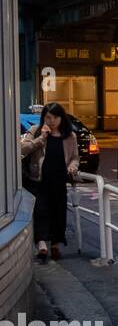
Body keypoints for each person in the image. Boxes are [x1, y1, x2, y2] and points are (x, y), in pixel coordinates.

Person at [20, 103, 80, 263]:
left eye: (55, 117)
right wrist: (41, 138)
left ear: (62, 118)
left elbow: (75, 157)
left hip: (59, 180)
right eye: (48, 117)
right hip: (38, 179)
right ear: (43, 117)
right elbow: (22, 148)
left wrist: (72, 166)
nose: (51, 121)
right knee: (40, 211)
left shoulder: (69, 136)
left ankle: (55, 244)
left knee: (58, 212)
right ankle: (42, 246)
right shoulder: (36, 131)